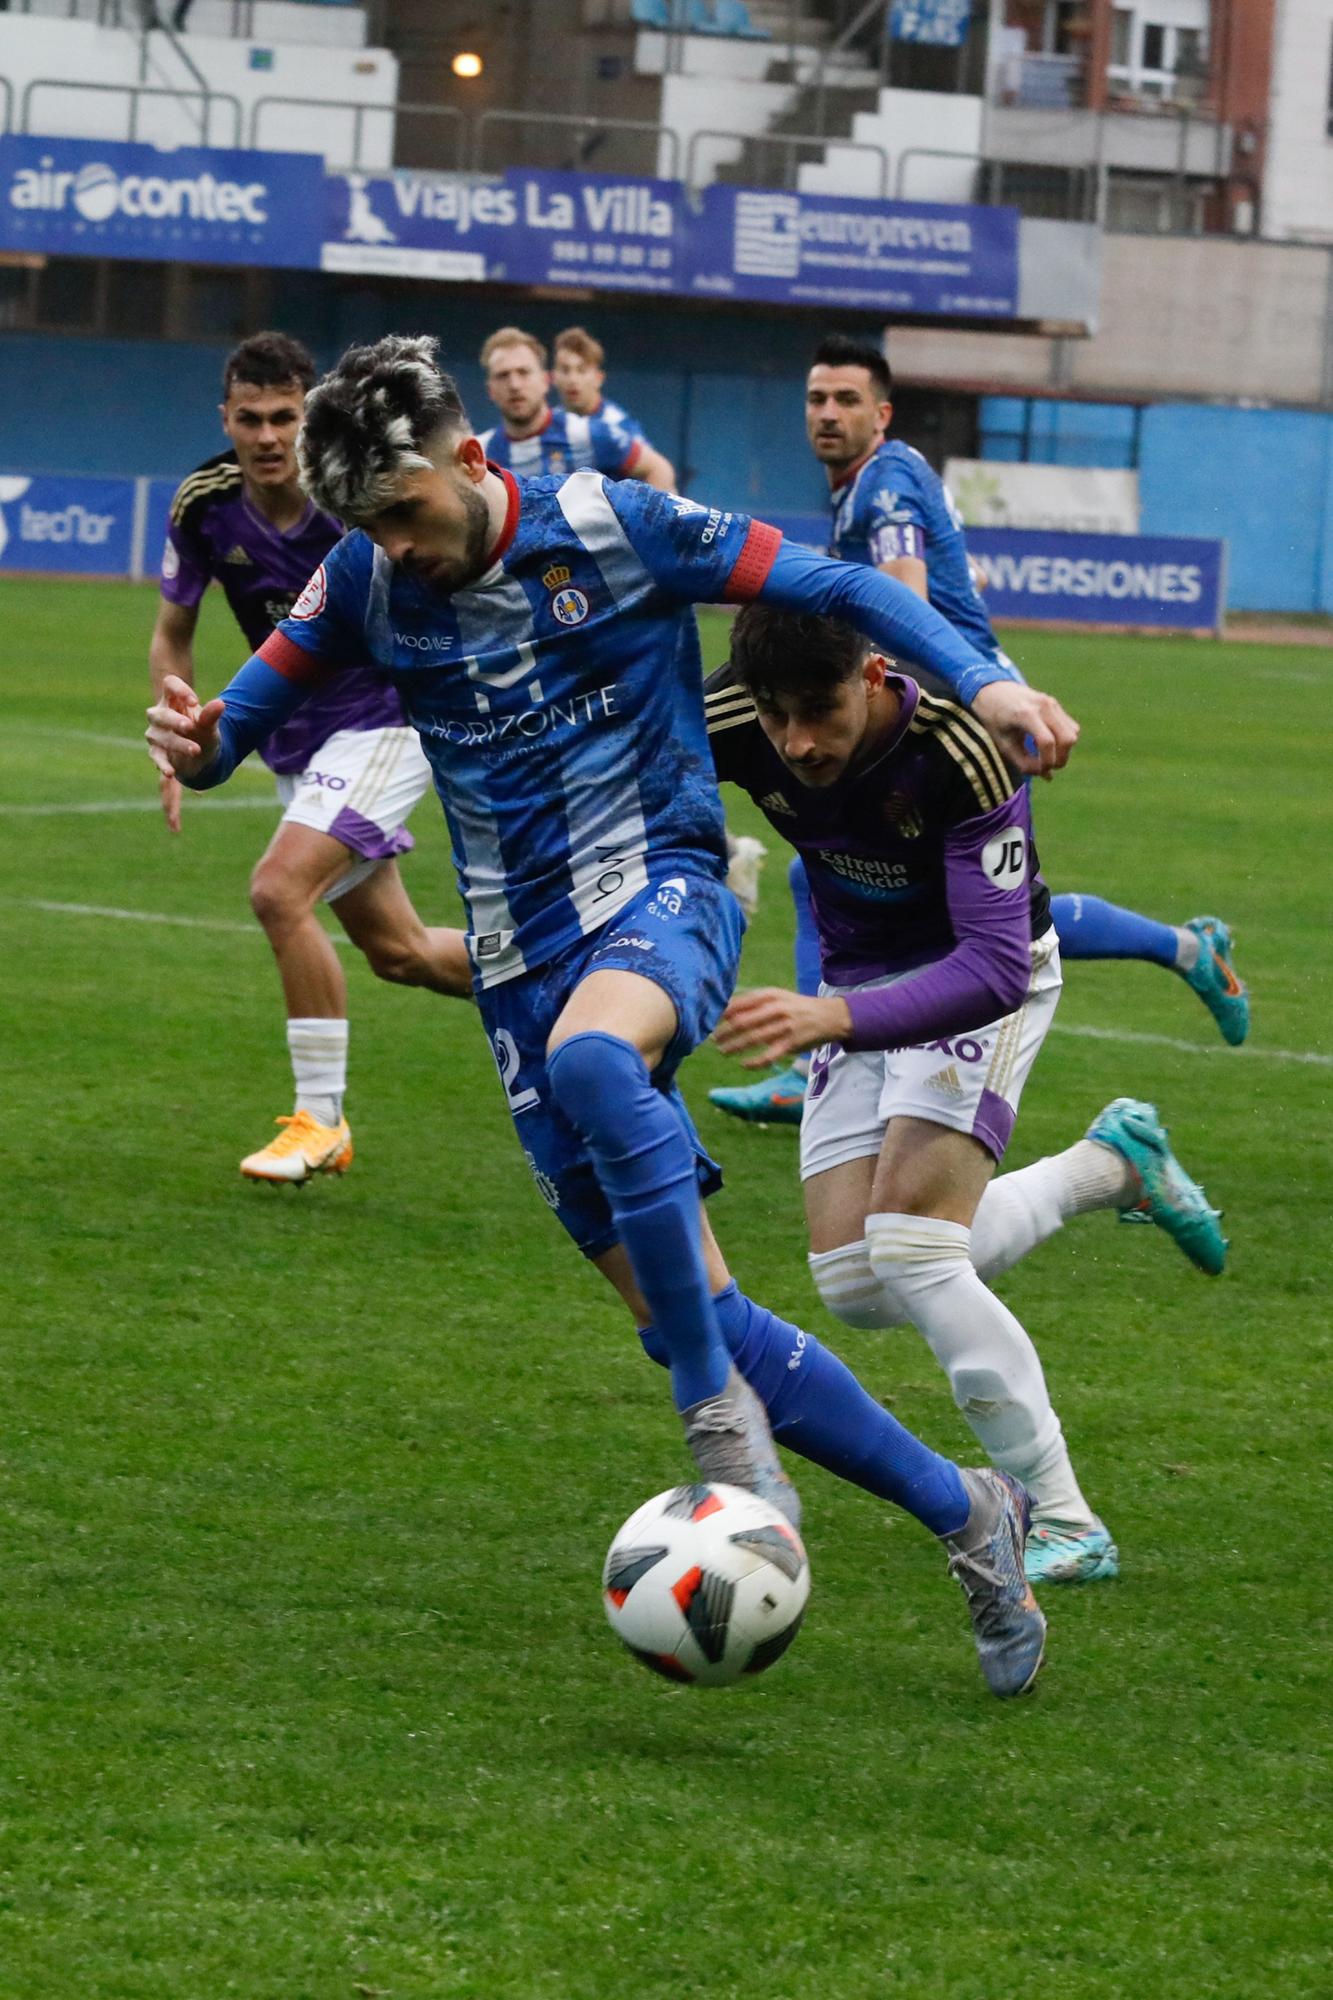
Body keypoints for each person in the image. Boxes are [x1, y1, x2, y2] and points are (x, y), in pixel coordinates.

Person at [145, 335, 1085, 1695]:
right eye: (369, 524)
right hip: (516, 958)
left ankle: (713, 1421)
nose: (394, 545)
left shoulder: (614, 522)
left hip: (660, 887)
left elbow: (831, 584)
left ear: (470, 459)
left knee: (599, 1063)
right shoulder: (363, 576)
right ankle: (969, 1511)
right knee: (689, 1302)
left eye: (405, 510)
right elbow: (240, 720)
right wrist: (199, 743)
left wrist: (985, 681)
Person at [708, 608, 1227, 1583]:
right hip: (858, 983)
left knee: (913, 1249)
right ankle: (1108, 1166)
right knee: (855, 1283)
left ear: (871, 676)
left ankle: (1065, 1518)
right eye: (777, 717)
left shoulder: (960, 751)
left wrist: (835, 1018)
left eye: (819, 711)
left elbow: (992, 966)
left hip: (977, 976)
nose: (797, 742)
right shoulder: (732, 715)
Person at [710, 331, 1249, 1126]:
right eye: (816, 399)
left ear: (881, 414)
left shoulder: (883, 486)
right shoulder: (887, 474)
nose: (826, 413)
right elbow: (940, 572)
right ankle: (1185, 948)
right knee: (920, 893)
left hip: (952, 711)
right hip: (965, 690)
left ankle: (809, 1063)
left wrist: (905, 717)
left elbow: (902, 598)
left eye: (846, 400)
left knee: (972, 913)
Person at [150, 330, 471, 1184]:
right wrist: (175, 736)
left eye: (283, 417)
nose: (266, 436)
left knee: (277, 889)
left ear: (309, 415)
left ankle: (320, 1119)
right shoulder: (203, 503)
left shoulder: (350, 494)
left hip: (386, 723)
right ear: (225, 417)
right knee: (401, 952)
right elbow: (172, 632)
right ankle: (577, 981)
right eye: (249, 418)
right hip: (294, 738)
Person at [477, 326, 676, 490]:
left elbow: (659, 469)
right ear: (490, 390)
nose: (514, 385)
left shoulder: (589, 433)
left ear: (546, 380)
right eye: (502, 375)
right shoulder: (479, 452)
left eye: (523, 372)